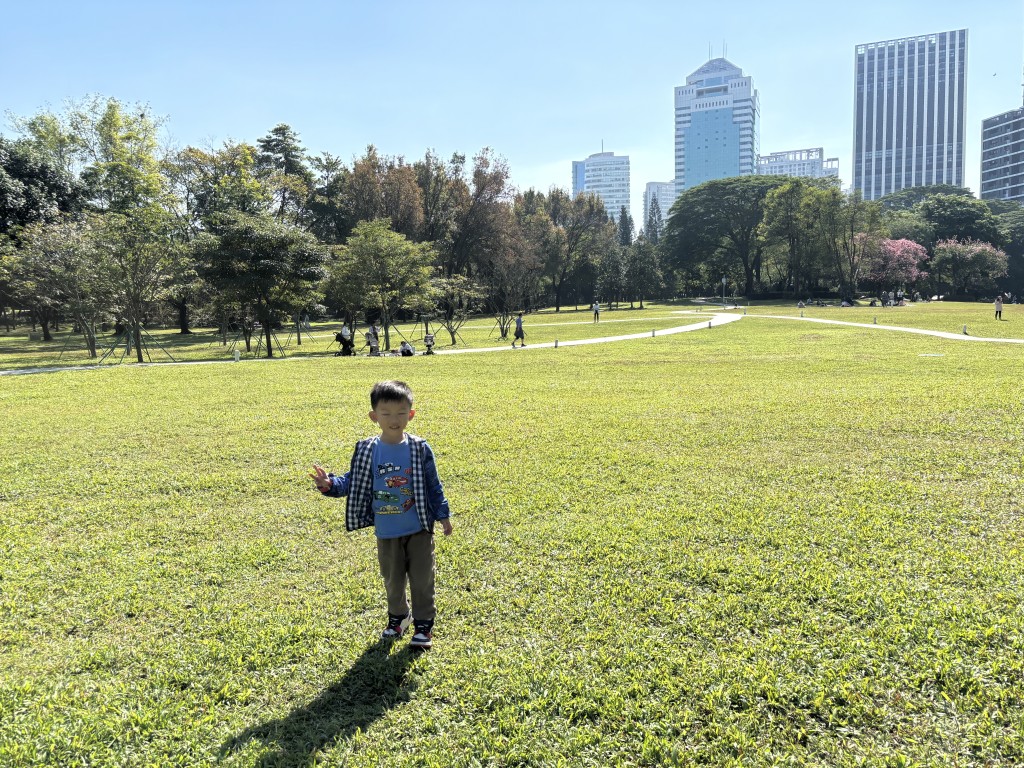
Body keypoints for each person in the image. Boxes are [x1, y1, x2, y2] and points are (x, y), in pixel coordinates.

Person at [310, 380, 453, 649]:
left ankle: (423, 625)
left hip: (419, 527)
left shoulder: (419, 448)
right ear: (374, 417)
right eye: (386, 414)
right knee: (392, 580)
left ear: (410, 414)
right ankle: (399, 617)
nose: (394, 419)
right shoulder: (368, 450)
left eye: (401, 413)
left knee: (423, 579)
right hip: (386, 531)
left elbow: (434, 484)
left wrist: (443, 515)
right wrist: (329, 485)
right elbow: (353, 481)